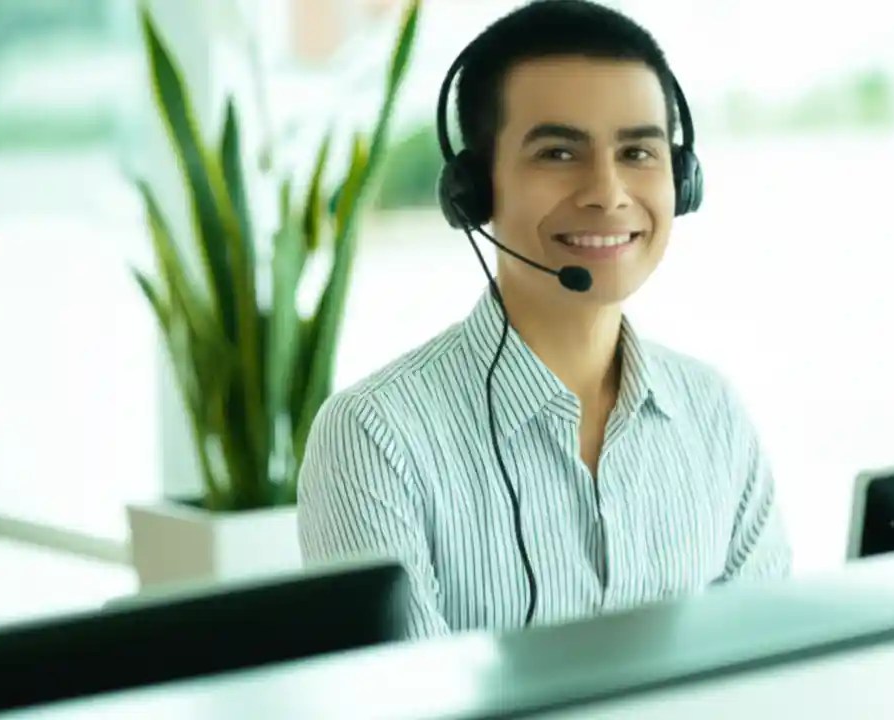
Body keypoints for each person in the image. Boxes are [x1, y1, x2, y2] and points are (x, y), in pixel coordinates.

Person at [297, 0, 791, 640]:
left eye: (638, 152)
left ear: (682, 180)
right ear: (474, 190)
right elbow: (400, 689)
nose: (607, 193)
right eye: (558, 153)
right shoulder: (376, 438)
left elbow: (765, 665)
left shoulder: (713, 414)